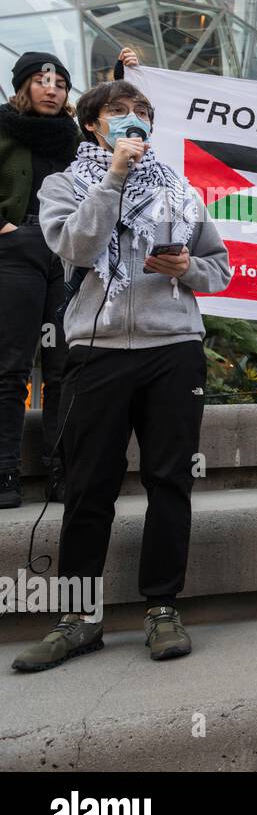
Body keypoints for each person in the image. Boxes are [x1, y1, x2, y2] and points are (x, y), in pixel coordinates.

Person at [11, 78, 231, 672]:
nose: (133, 119)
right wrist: (113, 177)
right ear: (94, 124)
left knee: (168, 481)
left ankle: (162, 609)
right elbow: (77, 249)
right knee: (87, 488)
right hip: (96, 351)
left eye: (142, 112)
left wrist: (188, 267)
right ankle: (79, 620)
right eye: (119, 111)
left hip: (173, 349)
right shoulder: (64, 185)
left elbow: (220, 269)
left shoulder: (180, 191)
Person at [0, 52, 81, 509]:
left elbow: (119, 124)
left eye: (61, 84)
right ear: (23, 86)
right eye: (41, 80)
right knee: (10, 366)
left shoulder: (73, 137)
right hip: (17, 248)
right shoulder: (3, 126)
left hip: (65, 253)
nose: (52, 89)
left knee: (64, 367)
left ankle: (61, 471)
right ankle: (4, 471)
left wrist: (124, 74)